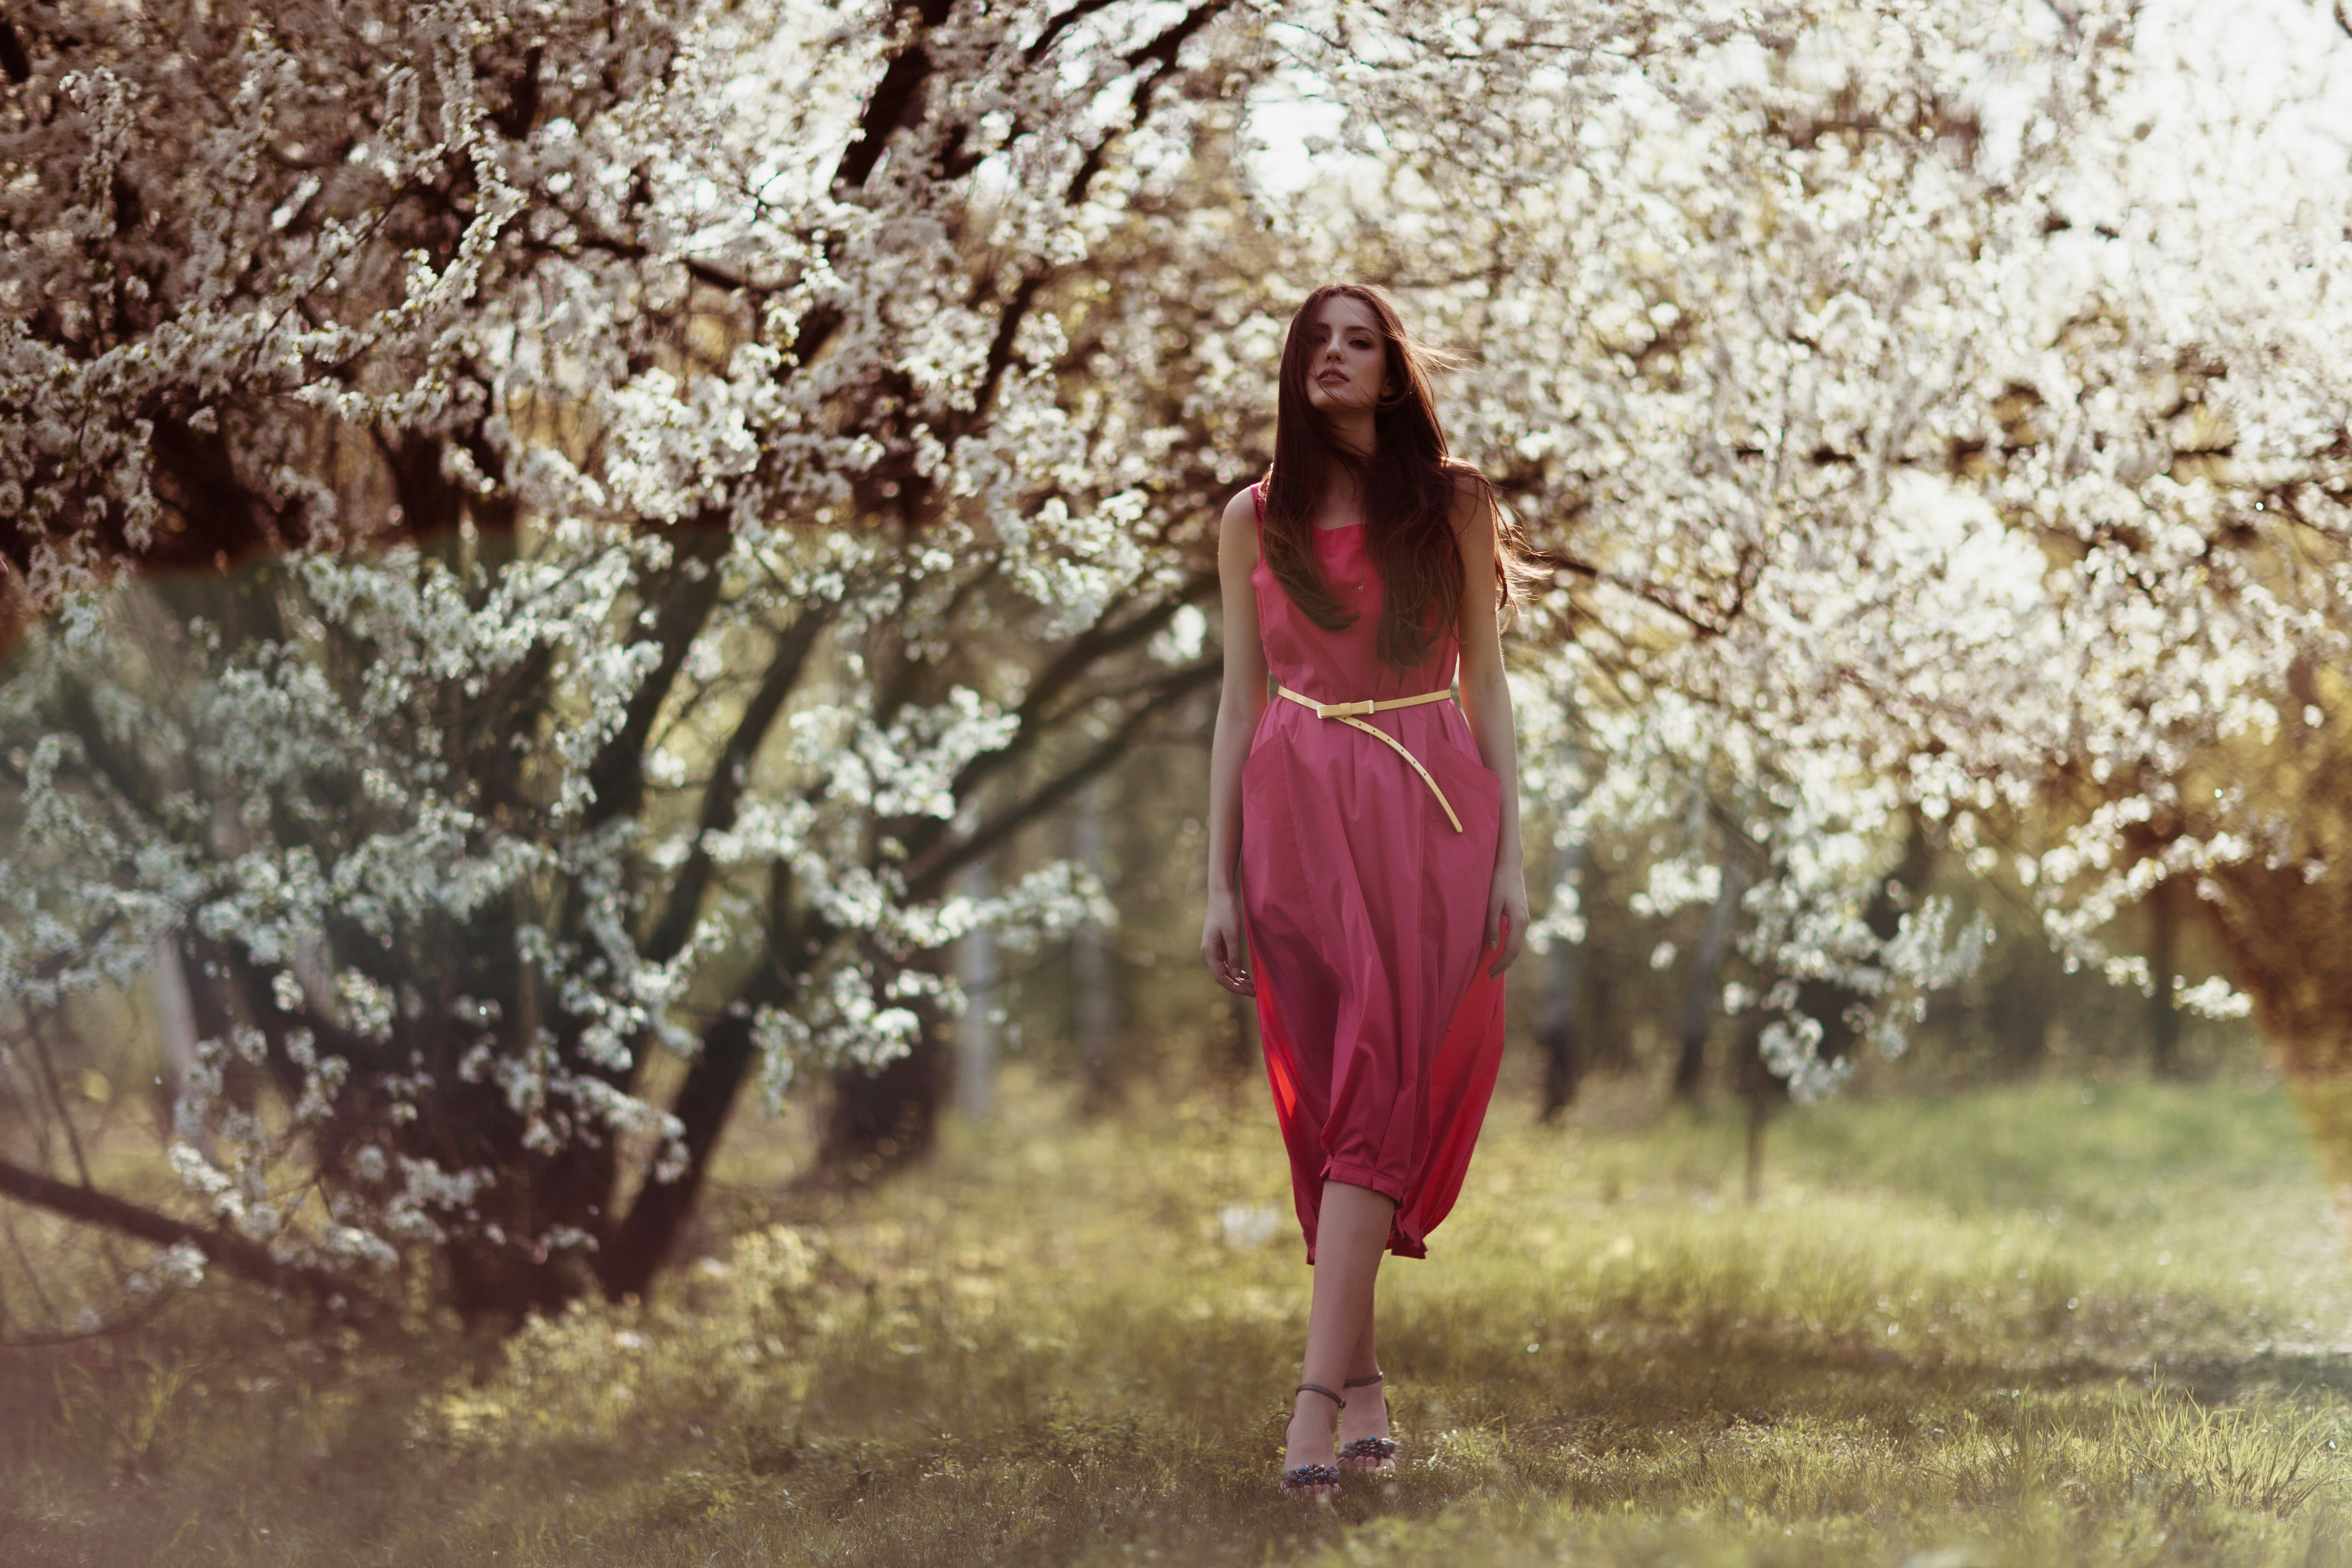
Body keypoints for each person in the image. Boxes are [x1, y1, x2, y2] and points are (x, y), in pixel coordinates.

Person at [1199, 284, 1538, 1498]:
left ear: (1394, 372)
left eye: (1359, 343)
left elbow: (1490, 688)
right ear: (1294, 369)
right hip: (1294, 813)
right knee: (1339, 1104)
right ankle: (1365, 1381)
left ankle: (1310, 1406)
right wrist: (1218, 877)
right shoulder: (1252, 518)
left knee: (1384, 1088)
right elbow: (1240, 702)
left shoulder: (1455, 504)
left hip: (1429, 809)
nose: (1333, 359)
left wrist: (1510, 855)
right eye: (1315, 343)